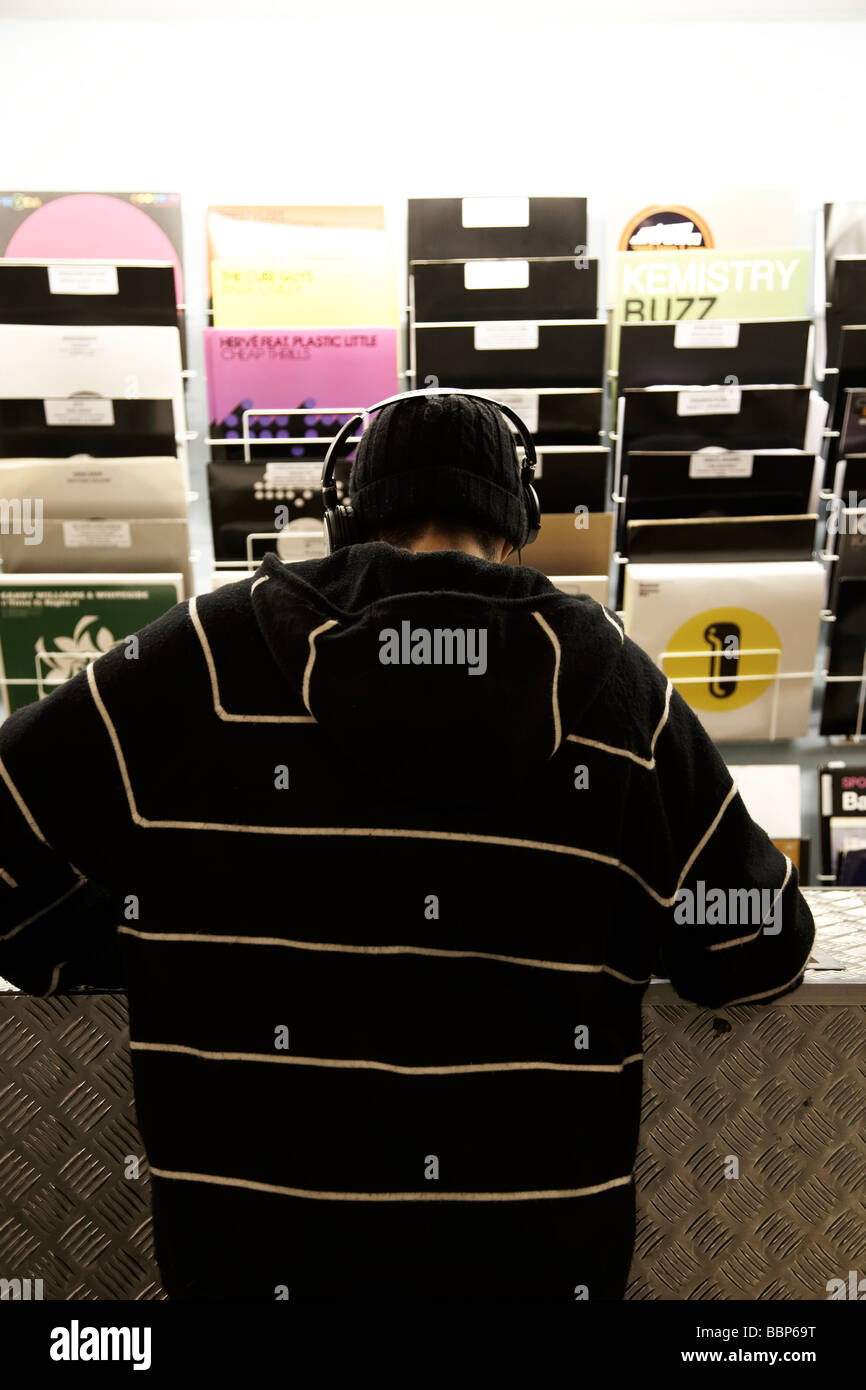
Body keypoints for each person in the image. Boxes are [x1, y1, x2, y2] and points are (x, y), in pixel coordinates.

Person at [0, 391, 814, 1301]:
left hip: (248, 1266)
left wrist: (131, 937)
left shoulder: (197, 658)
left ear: (347, 514)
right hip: (534, 1273)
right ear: (518, 522)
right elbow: (756, 944)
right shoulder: (621, 693)